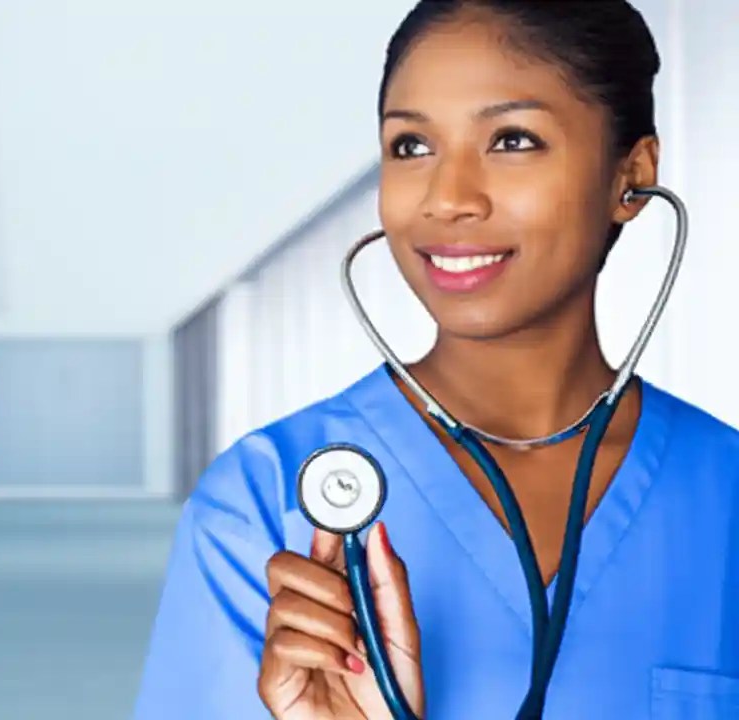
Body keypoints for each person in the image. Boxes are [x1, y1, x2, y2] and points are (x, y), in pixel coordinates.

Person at [131, 1, 739, 718]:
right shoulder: (263, 504)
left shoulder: (723, 493)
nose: (447, 199)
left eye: (512, 140)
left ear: (629, 175)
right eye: (412, 147)